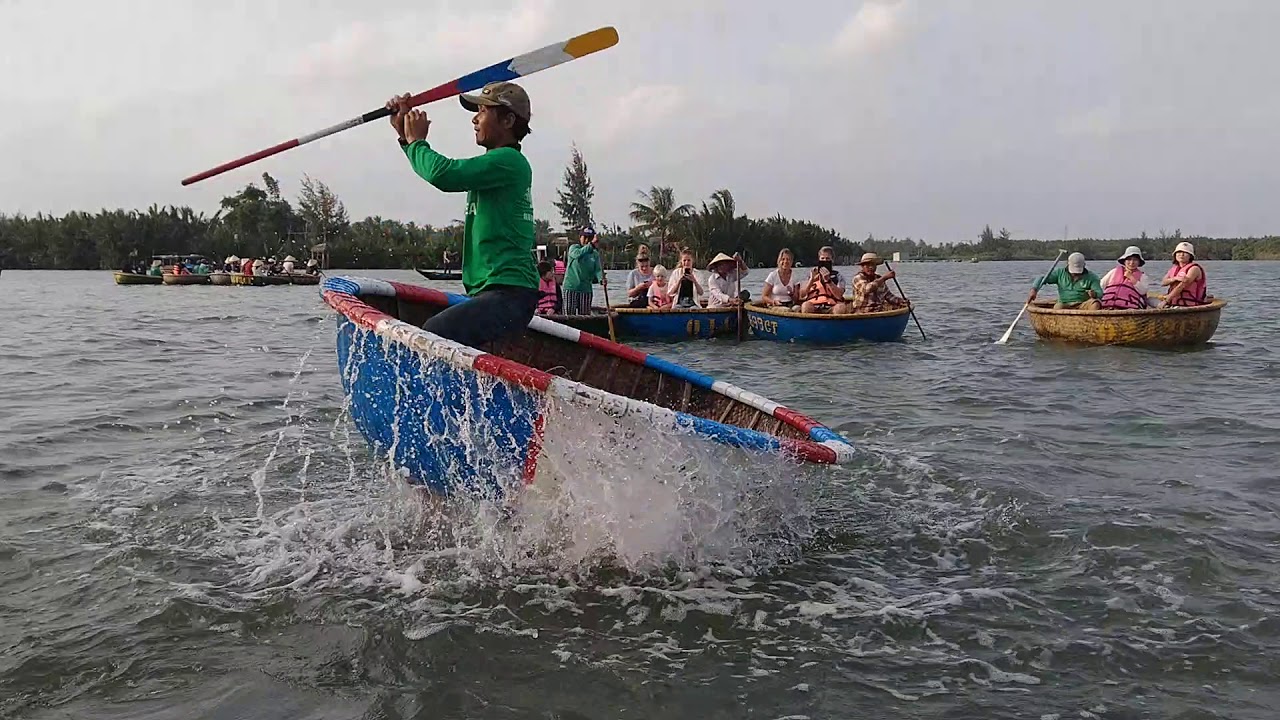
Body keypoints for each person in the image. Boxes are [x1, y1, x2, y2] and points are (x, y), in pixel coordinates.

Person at [385, 80, 540, 347]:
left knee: (435, 332)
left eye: (482, 112)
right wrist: (405, 137)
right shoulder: (495, 166)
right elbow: (441, 172)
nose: (474, 120)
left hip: (511, 294)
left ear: (508, 121)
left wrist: (415, 141)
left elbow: (442, 174)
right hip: (497, 293)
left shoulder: (508, 161)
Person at [1028, 252, 1102, 310]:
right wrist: (1034, 290)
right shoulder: (1060, 273)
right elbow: (1041, 278)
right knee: (1058, 308)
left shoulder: (1092, 277)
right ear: (1067, 264)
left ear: (1084, 265)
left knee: (1095, 304)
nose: (1075, 274)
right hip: (1064, 303)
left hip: (1083, 304)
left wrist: (1094, 294)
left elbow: (1100, 293)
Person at [562, 227, 603, 315]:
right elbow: (577, 254)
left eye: (590, 238)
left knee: (584, 315)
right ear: (580, 237)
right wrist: (590, 245)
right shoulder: (574, 248)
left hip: (586, 289)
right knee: (569, 314)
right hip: (571, 287)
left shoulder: (594, 254)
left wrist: (601, 279)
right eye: (585, 237)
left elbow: (598, 270)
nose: (587, 240)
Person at [1159, 241, 1209, 308]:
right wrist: (1175, 278)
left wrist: (1166, 301)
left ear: (1190, 256)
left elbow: (1182, 286)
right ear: (1175, 255)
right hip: (1174, 303)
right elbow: (1163, 283)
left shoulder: (1194, 269)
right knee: (1150, 300)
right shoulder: (1174, 269)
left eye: (1185, 253)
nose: (1181, 255)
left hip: (1189, 304)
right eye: (1179, 252)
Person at [798, 246, 847, 314]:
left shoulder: (838, 276)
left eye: (827, 259)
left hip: (832, 305)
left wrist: (828, 281)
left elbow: (839, 295)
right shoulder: (811, 274)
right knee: (806, 306)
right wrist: (812, 280)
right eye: (822, 258)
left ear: (832, 260)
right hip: (814, 304)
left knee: (840, 308)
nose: (825, 261)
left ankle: (835, 324)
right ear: (819, 259)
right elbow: (802, 294)